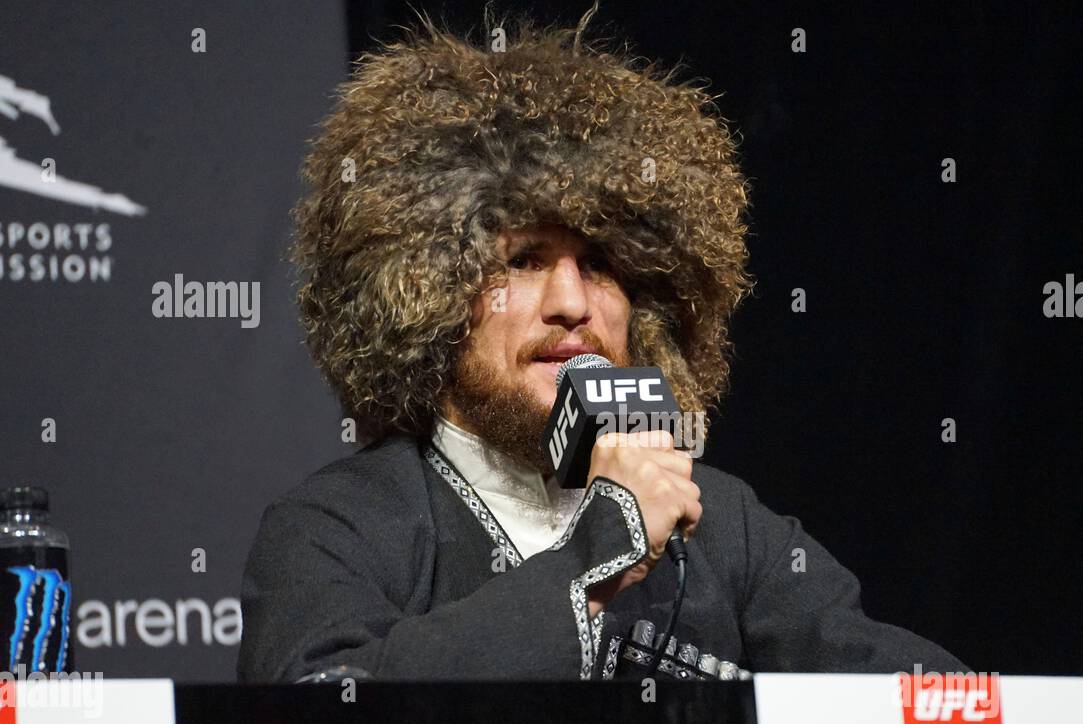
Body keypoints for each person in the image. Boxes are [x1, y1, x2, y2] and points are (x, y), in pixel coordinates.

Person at [237, 13, 966, 682]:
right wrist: (602, 551)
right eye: (524, 260)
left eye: (602, 266)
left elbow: (912, 702)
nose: (573, 303)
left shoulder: (722, 523)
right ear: (425, 297)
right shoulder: (335, 526)